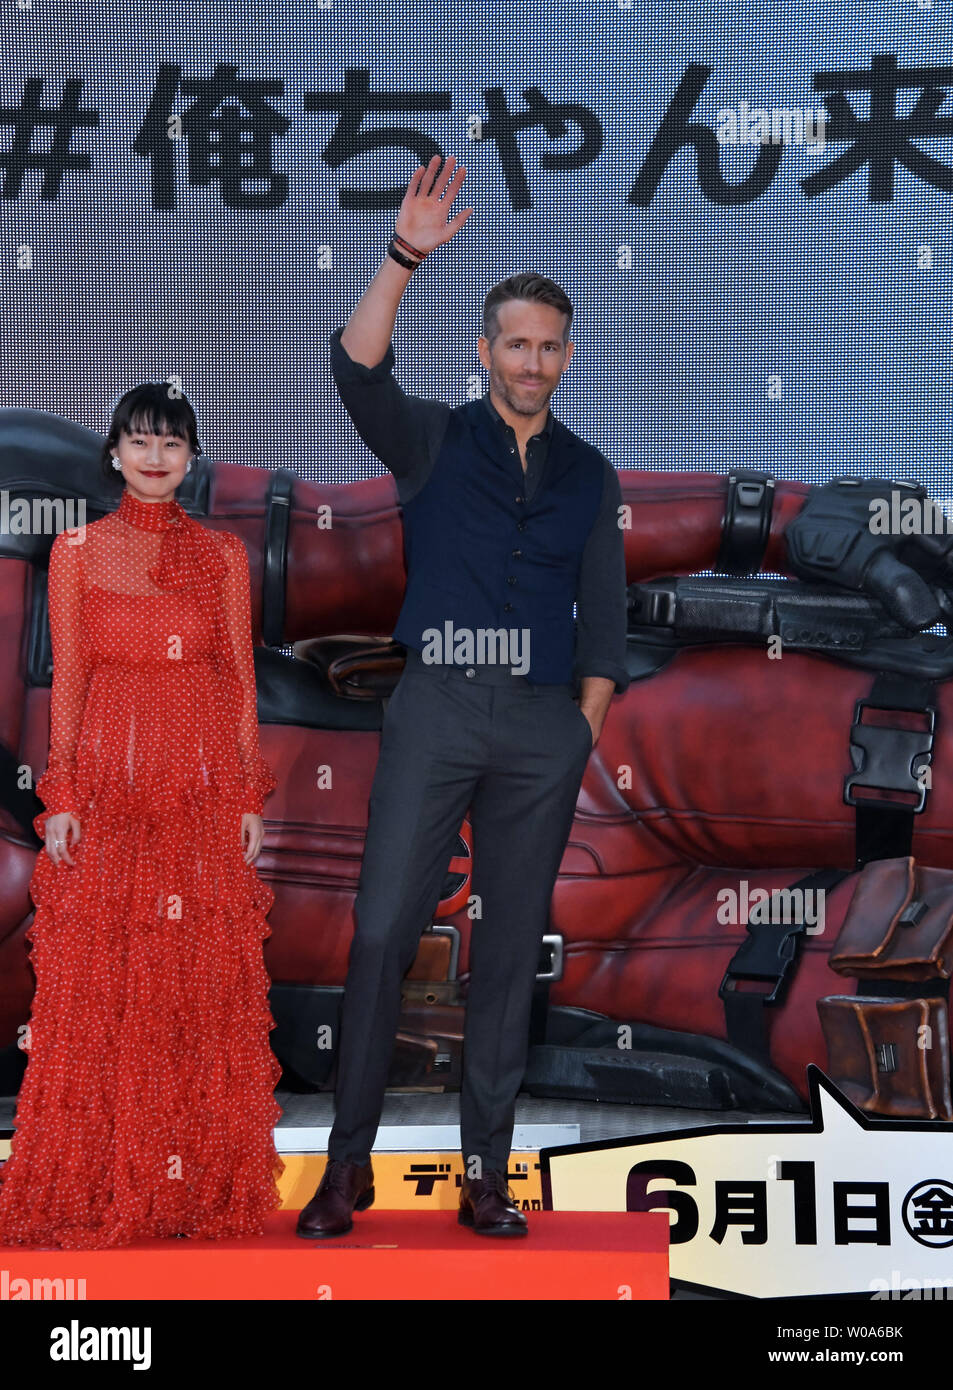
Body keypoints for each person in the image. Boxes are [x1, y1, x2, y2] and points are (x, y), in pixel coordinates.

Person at [296, 156, 629, 1240]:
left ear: (566, 358)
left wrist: (575, 727)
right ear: (482, 350)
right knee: (384, 928)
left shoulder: (588, 469)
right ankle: (347, 1172)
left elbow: (604, 614)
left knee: (507, 947)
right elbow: (354, 371)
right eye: (513, 343)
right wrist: (402, 257)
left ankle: (486, 1172)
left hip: (539, 727)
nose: (530, 361)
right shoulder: (434, 438)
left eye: (547, 346)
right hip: (436, 706)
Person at [0, 385, 284, 1249]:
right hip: (110, 800)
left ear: (191, 458)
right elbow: (72, 685)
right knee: (102, 991)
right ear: (115, 454)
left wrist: (242, 797)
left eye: (172, 442)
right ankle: (94, 1183)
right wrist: (66, 802)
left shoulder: (224, 558)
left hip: (196, 804)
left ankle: (187, 1189)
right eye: (140, 440)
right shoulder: (77, 552)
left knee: (190, 990)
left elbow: (239, 679)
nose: (156, 456)